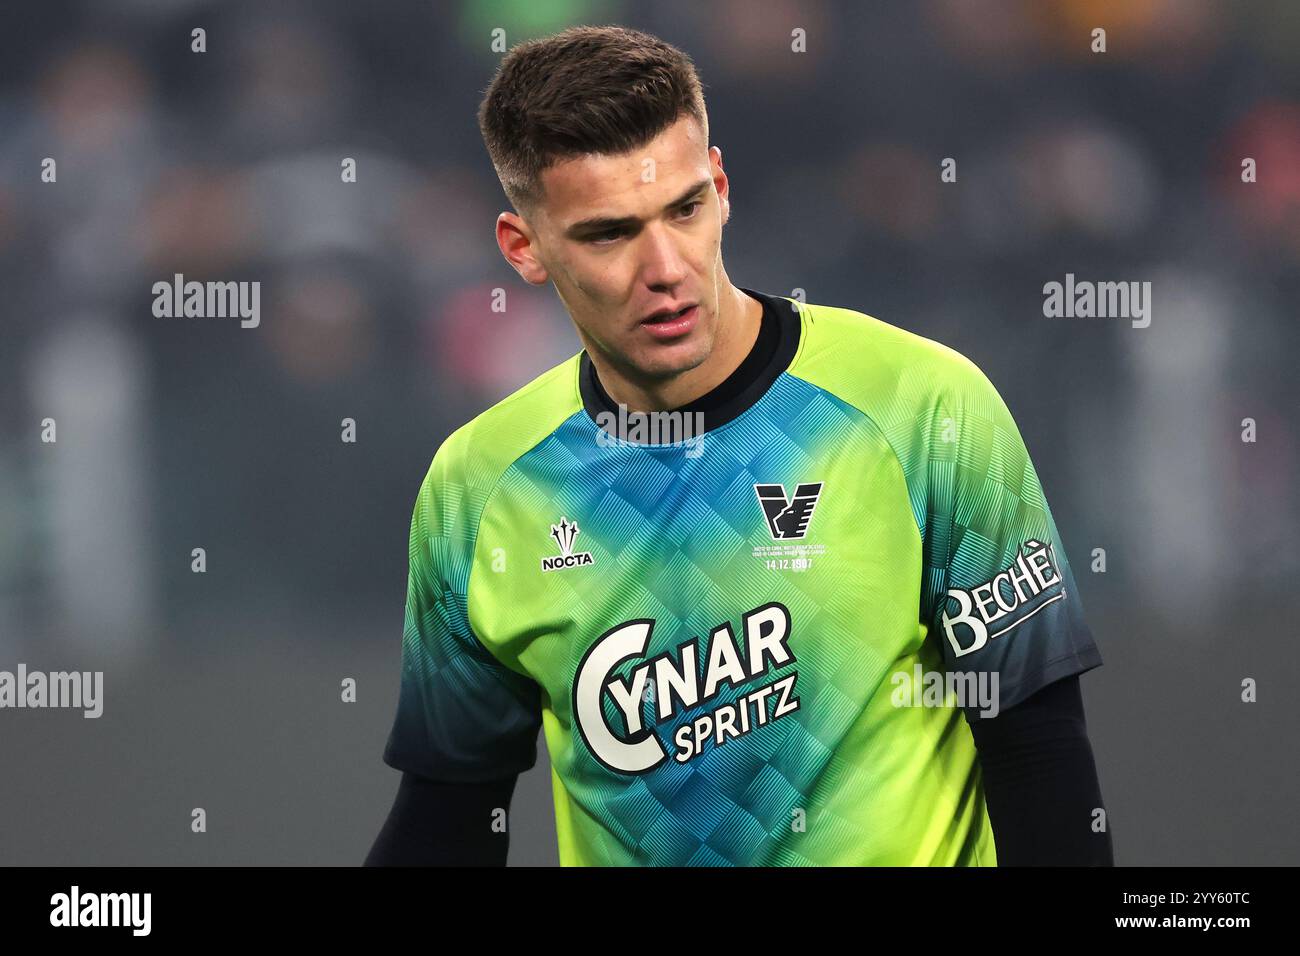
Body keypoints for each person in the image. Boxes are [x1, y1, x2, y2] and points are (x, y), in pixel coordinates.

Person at [367, 25, 1112, 867]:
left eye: (684, 209)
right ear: (524, 249)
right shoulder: (481, 488)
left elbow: (1040, 750)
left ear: (720, 187)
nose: (666, 266)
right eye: (610, 233)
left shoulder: (923, 405)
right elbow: (450, 815)